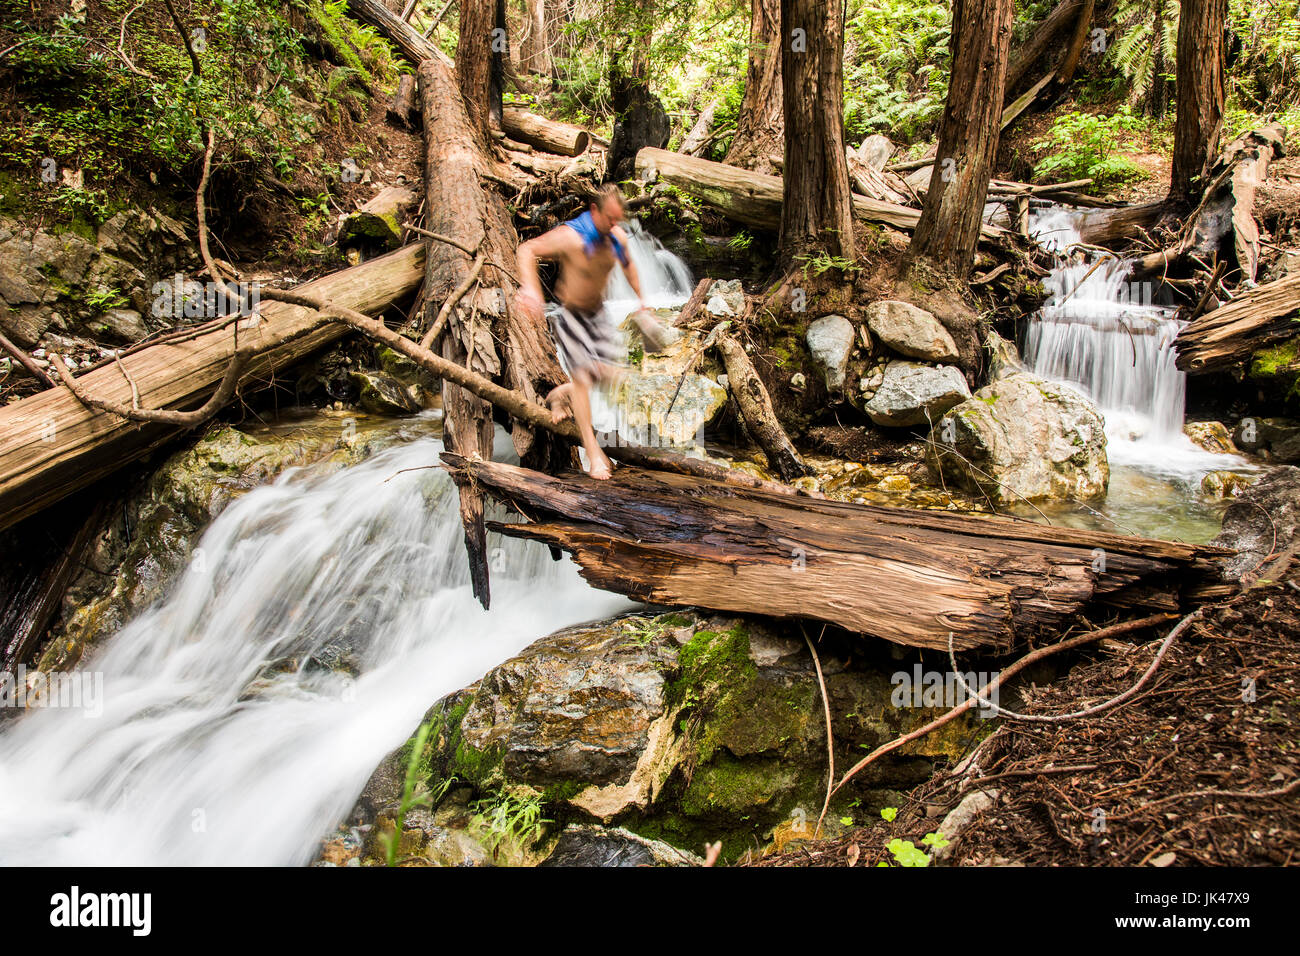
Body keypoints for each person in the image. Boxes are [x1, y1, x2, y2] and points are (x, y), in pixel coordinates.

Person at [514, 184, 650, 480]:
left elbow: (629, 268)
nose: (614, 226)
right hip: (572, 315)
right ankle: (593, 451)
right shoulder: (570, 237)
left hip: (599, 314)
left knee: (611, 376)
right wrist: (531, 289)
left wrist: (642, 301)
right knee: (585, 378)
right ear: (594, 211)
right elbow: (527, 249)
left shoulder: (617, 237)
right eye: (609, 219)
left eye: (618, 220)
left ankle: (559, 395)